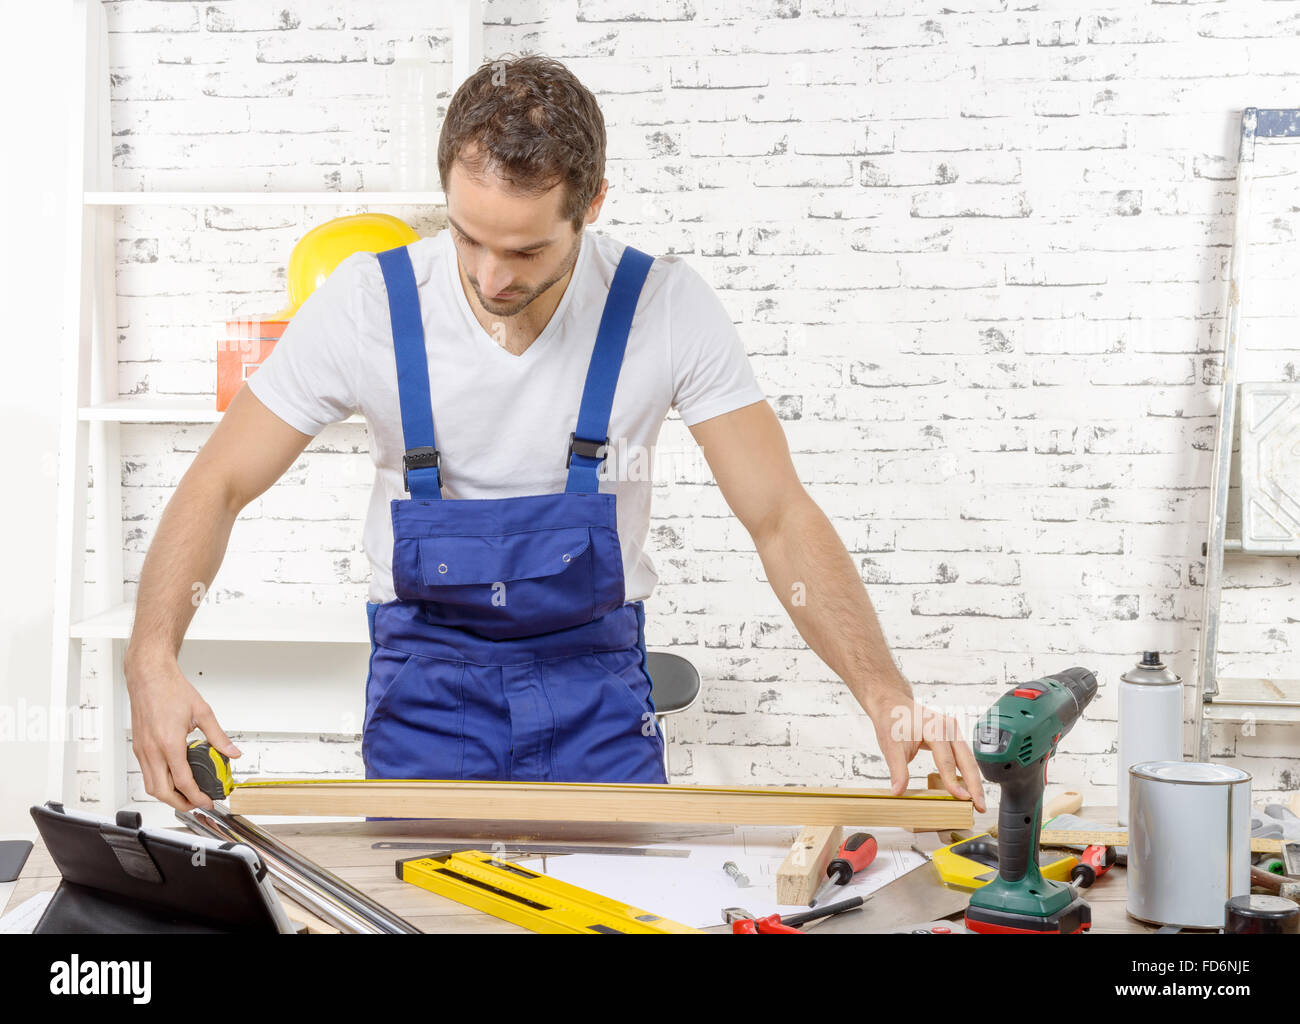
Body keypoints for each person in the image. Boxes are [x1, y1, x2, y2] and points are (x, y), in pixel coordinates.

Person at [124, 54, 986, 815]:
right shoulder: (366, 304)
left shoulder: (664, 306)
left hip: (597, 696)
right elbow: (218, 483)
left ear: (592, 205)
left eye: (527, 252)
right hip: (426, 693)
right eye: (467, 237)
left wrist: (886, 695)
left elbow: (779, 516)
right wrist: (153, 661)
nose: (491, 276)